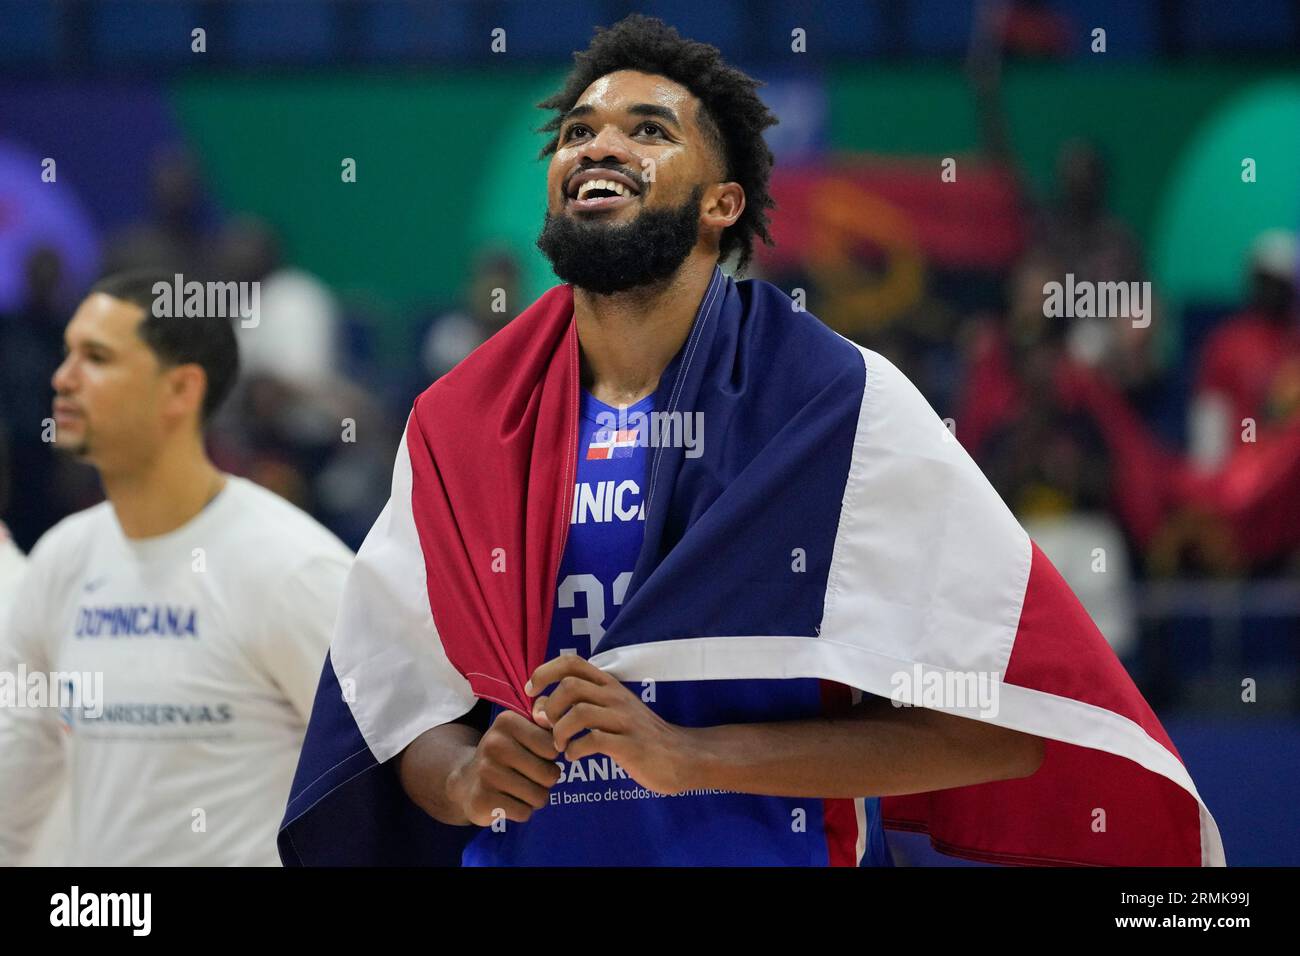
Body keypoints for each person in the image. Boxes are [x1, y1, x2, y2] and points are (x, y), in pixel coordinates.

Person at [282, 15, 1221, 867]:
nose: (599, 142)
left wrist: (690, 758)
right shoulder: (462, 421)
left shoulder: (837, 405)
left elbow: (994, 731)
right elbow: (396, 706)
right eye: (578, 131)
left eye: (649, 129)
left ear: (722, 205)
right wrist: (465, 781)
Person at [0, 270, 352, 865]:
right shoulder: (62, 560)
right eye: (67, 354)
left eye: (97, 358)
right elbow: (15, 786)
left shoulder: (293, 568)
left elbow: (383, 781)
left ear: (181, 390)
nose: (62, 379)